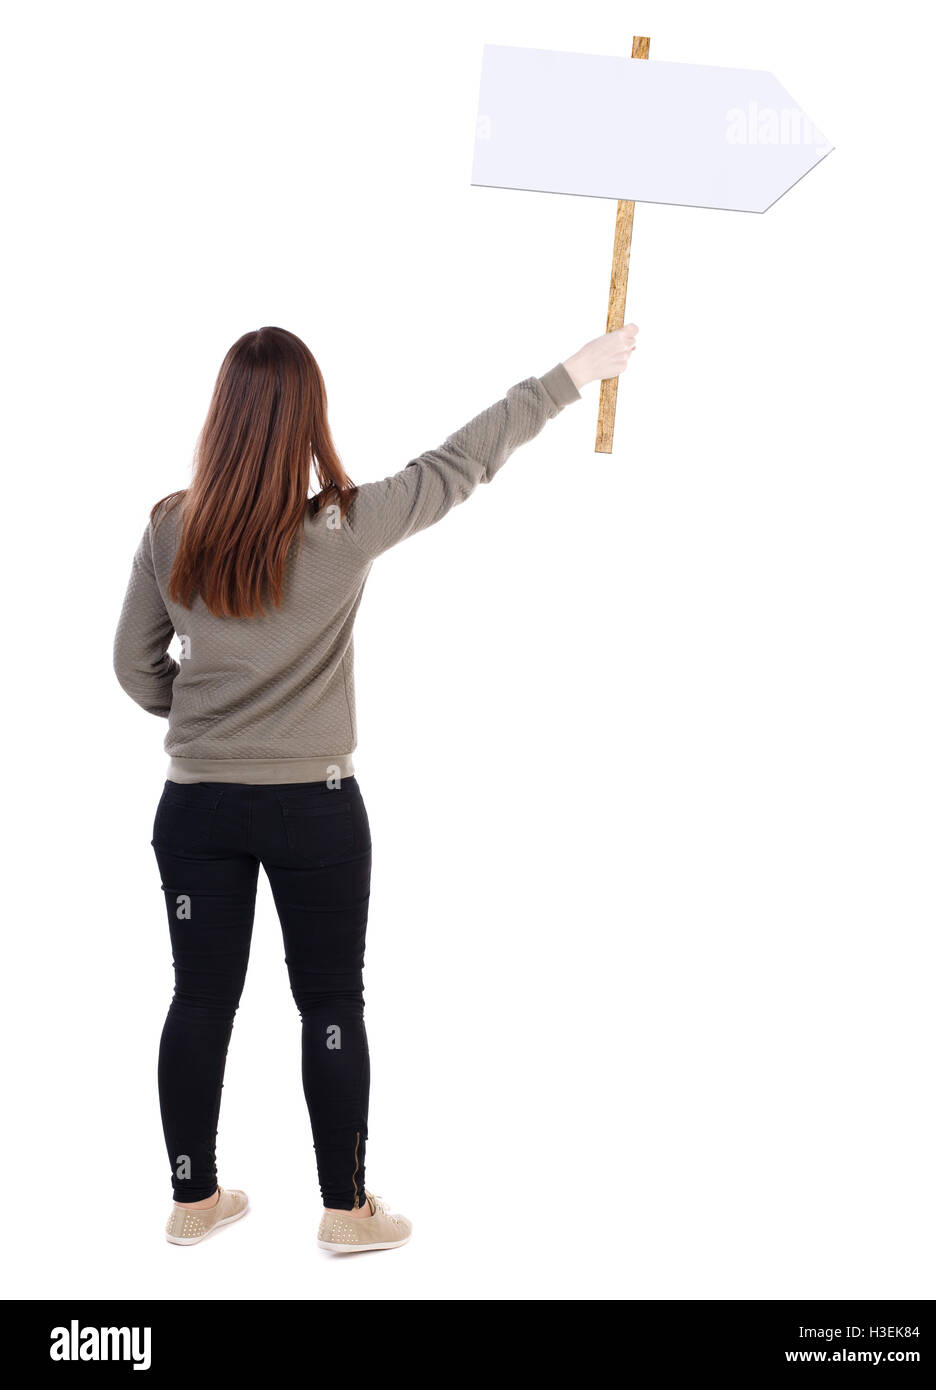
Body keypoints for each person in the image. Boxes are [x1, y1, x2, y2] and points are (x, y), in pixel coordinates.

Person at [113, 322, 638, 1251]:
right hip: (315, 806)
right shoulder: (346, 526)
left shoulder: (169, 524)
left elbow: (134, 668)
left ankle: (193, 1201)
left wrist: (207, 727)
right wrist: (573, 374)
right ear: (307, 418)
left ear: (221, 418)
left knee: (199, 999)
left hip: (195, 804)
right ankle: (347, 1214)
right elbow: (464, 459)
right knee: (329, 1001)